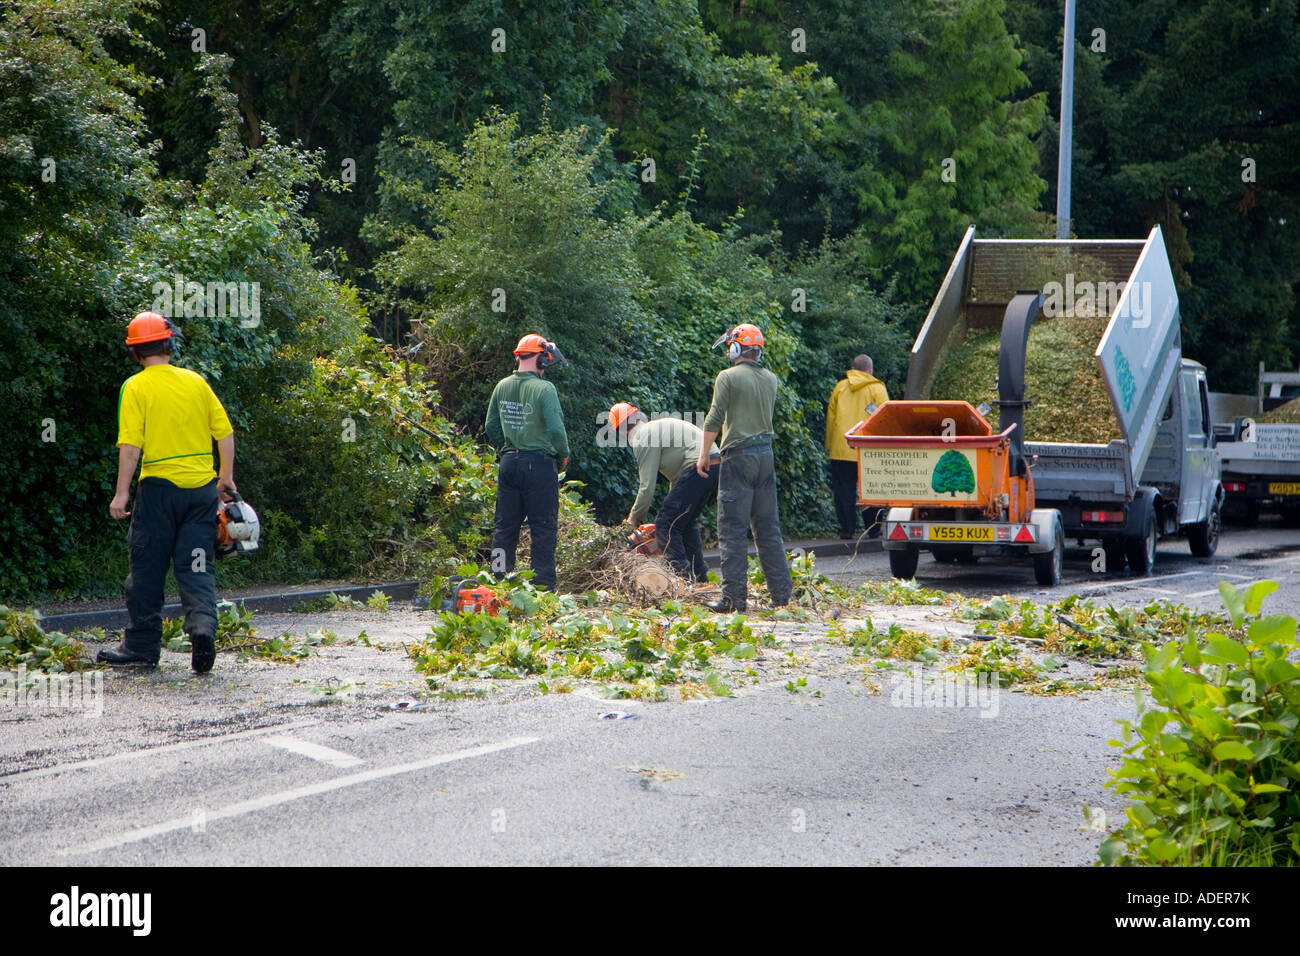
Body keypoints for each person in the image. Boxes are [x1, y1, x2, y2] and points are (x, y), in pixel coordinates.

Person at [101, 311, 236, 673]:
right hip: (200, 492)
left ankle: (143, 646)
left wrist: (121, 494)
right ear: (169, 344)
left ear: (135, 353)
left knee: (148, 567)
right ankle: (203, 629)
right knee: (196, 565)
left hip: (159, 492)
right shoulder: (195, 382)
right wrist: (225, 478)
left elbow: (130, 445)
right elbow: (224, 433)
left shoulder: (136, 386)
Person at [695, 324, 793, 612]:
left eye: (730, 346)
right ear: (758, 350)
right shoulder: (771, 379)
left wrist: (703, 455)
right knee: (768, 529)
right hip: (765, 455)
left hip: (738, 456)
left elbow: (714, 419)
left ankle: (733, 598)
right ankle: (781, 598)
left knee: (732, 529)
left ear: (737, 348)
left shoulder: (727, 377)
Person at [485, 333, 570, 590]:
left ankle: (498, 584)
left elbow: (491, 426)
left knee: (505, 527)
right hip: (539, 465)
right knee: (543, 529)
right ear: (542, 360)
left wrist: (507, 447)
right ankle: (543, 590)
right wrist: (562, 455)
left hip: (509, 463)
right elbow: (556, 430)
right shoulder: (545, 389)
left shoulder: (502, 386)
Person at [609, 402, 719, 583]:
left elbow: (647, 487)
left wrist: (632, 519)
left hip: (696, 466)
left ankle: (680, 579)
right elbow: (679, 481)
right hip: (713, 464)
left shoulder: (641, 437)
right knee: (684, 521)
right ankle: (700, 580)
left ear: (620, 431)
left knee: (666, 524)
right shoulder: (654, 429)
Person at [825, 354, 890, 538]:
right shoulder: (877, 389)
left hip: (841, 448)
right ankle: (873, 528)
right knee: (871, 489)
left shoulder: (840, 387)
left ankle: (847, 529)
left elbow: (831, 418)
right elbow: (885, 419)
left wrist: (830, 444)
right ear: (870, 369)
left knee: (843, 491)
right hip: (868, 449)